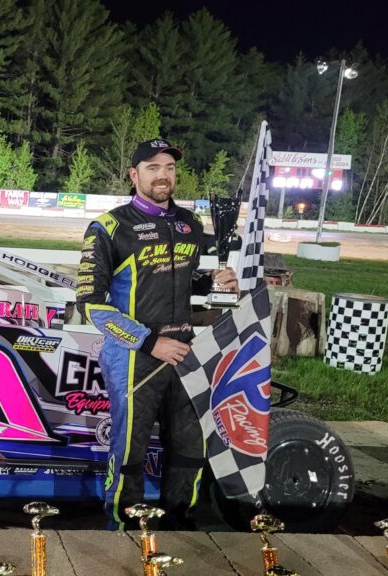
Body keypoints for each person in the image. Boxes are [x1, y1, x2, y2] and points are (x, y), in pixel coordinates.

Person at [75, 139, 239, 530]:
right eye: (152, 167)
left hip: (185, 354)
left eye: (169, 167)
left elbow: (183, 283)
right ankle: (125, 528)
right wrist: (149, 342)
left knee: (188, 448)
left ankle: (180, 524)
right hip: (135, 357)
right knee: (129, 449)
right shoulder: (110, 227)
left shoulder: (189, 224)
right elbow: (90, 302)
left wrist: (214, 280)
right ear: (134, 175)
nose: (163, 175)